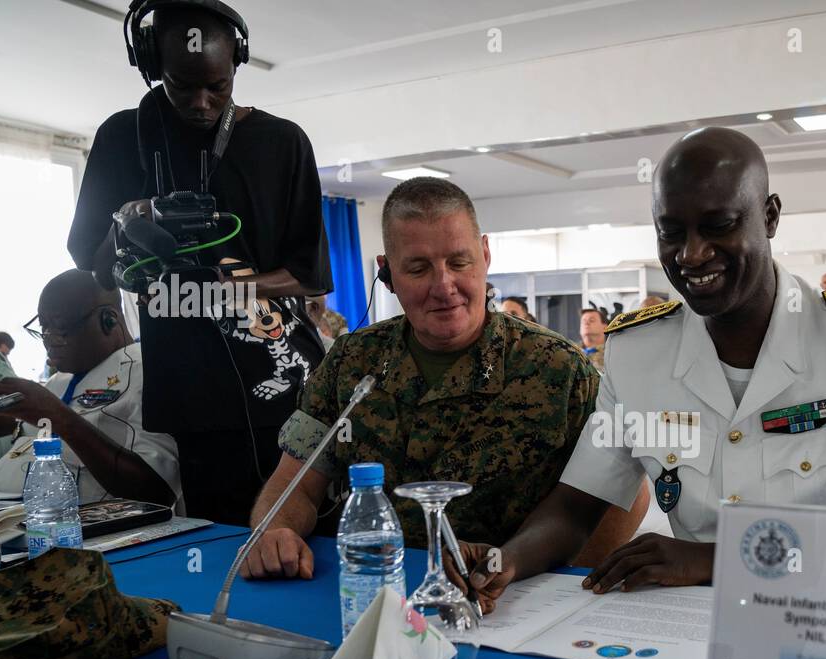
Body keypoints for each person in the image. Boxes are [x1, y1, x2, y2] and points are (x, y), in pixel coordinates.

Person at [460, 127, 826, 607]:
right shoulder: (638, 352)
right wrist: (503, 561)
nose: (691, 253)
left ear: (769, 217)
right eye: (671, 232)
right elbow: (576, 506)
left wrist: (714, 559)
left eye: (718, 225)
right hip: (687, 627)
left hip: (824, 617)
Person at [239, 177, 645, 579]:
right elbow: (295, 482)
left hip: (509, 598)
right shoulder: (351, 361)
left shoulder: (559, 368)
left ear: (485, 255)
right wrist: (277, 530)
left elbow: (626, 495)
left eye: (459, 262)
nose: (443, 286)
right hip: (376, 589)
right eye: (418, 268)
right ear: (387, 273)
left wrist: (568, 583)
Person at [67, 0, 330, 526]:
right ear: (149, 64)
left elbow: (309, 274)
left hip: (284, 380)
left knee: (307, 534)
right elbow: (96, 268)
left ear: (238, 64)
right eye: (181, 85)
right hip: (191, 393)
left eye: (218, 86)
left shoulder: (282, 142)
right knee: (224, 536)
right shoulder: (123, 138)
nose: (202, 102)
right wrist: (128, 222)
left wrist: (221, 288)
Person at [0, 270, 179, 506]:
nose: (49, 339)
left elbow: (157, 491)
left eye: (60, 328)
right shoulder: (59, 382)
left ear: (108, 320)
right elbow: (26, 430)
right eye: (43, 328)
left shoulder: (151, 371)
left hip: (83, 530)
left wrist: (58, 415)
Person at [579, 307, 607, 372]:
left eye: (591, 320)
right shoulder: (571, 352)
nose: (586, 323)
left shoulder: (612, 353)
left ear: (605, 327)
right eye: (583, 321)